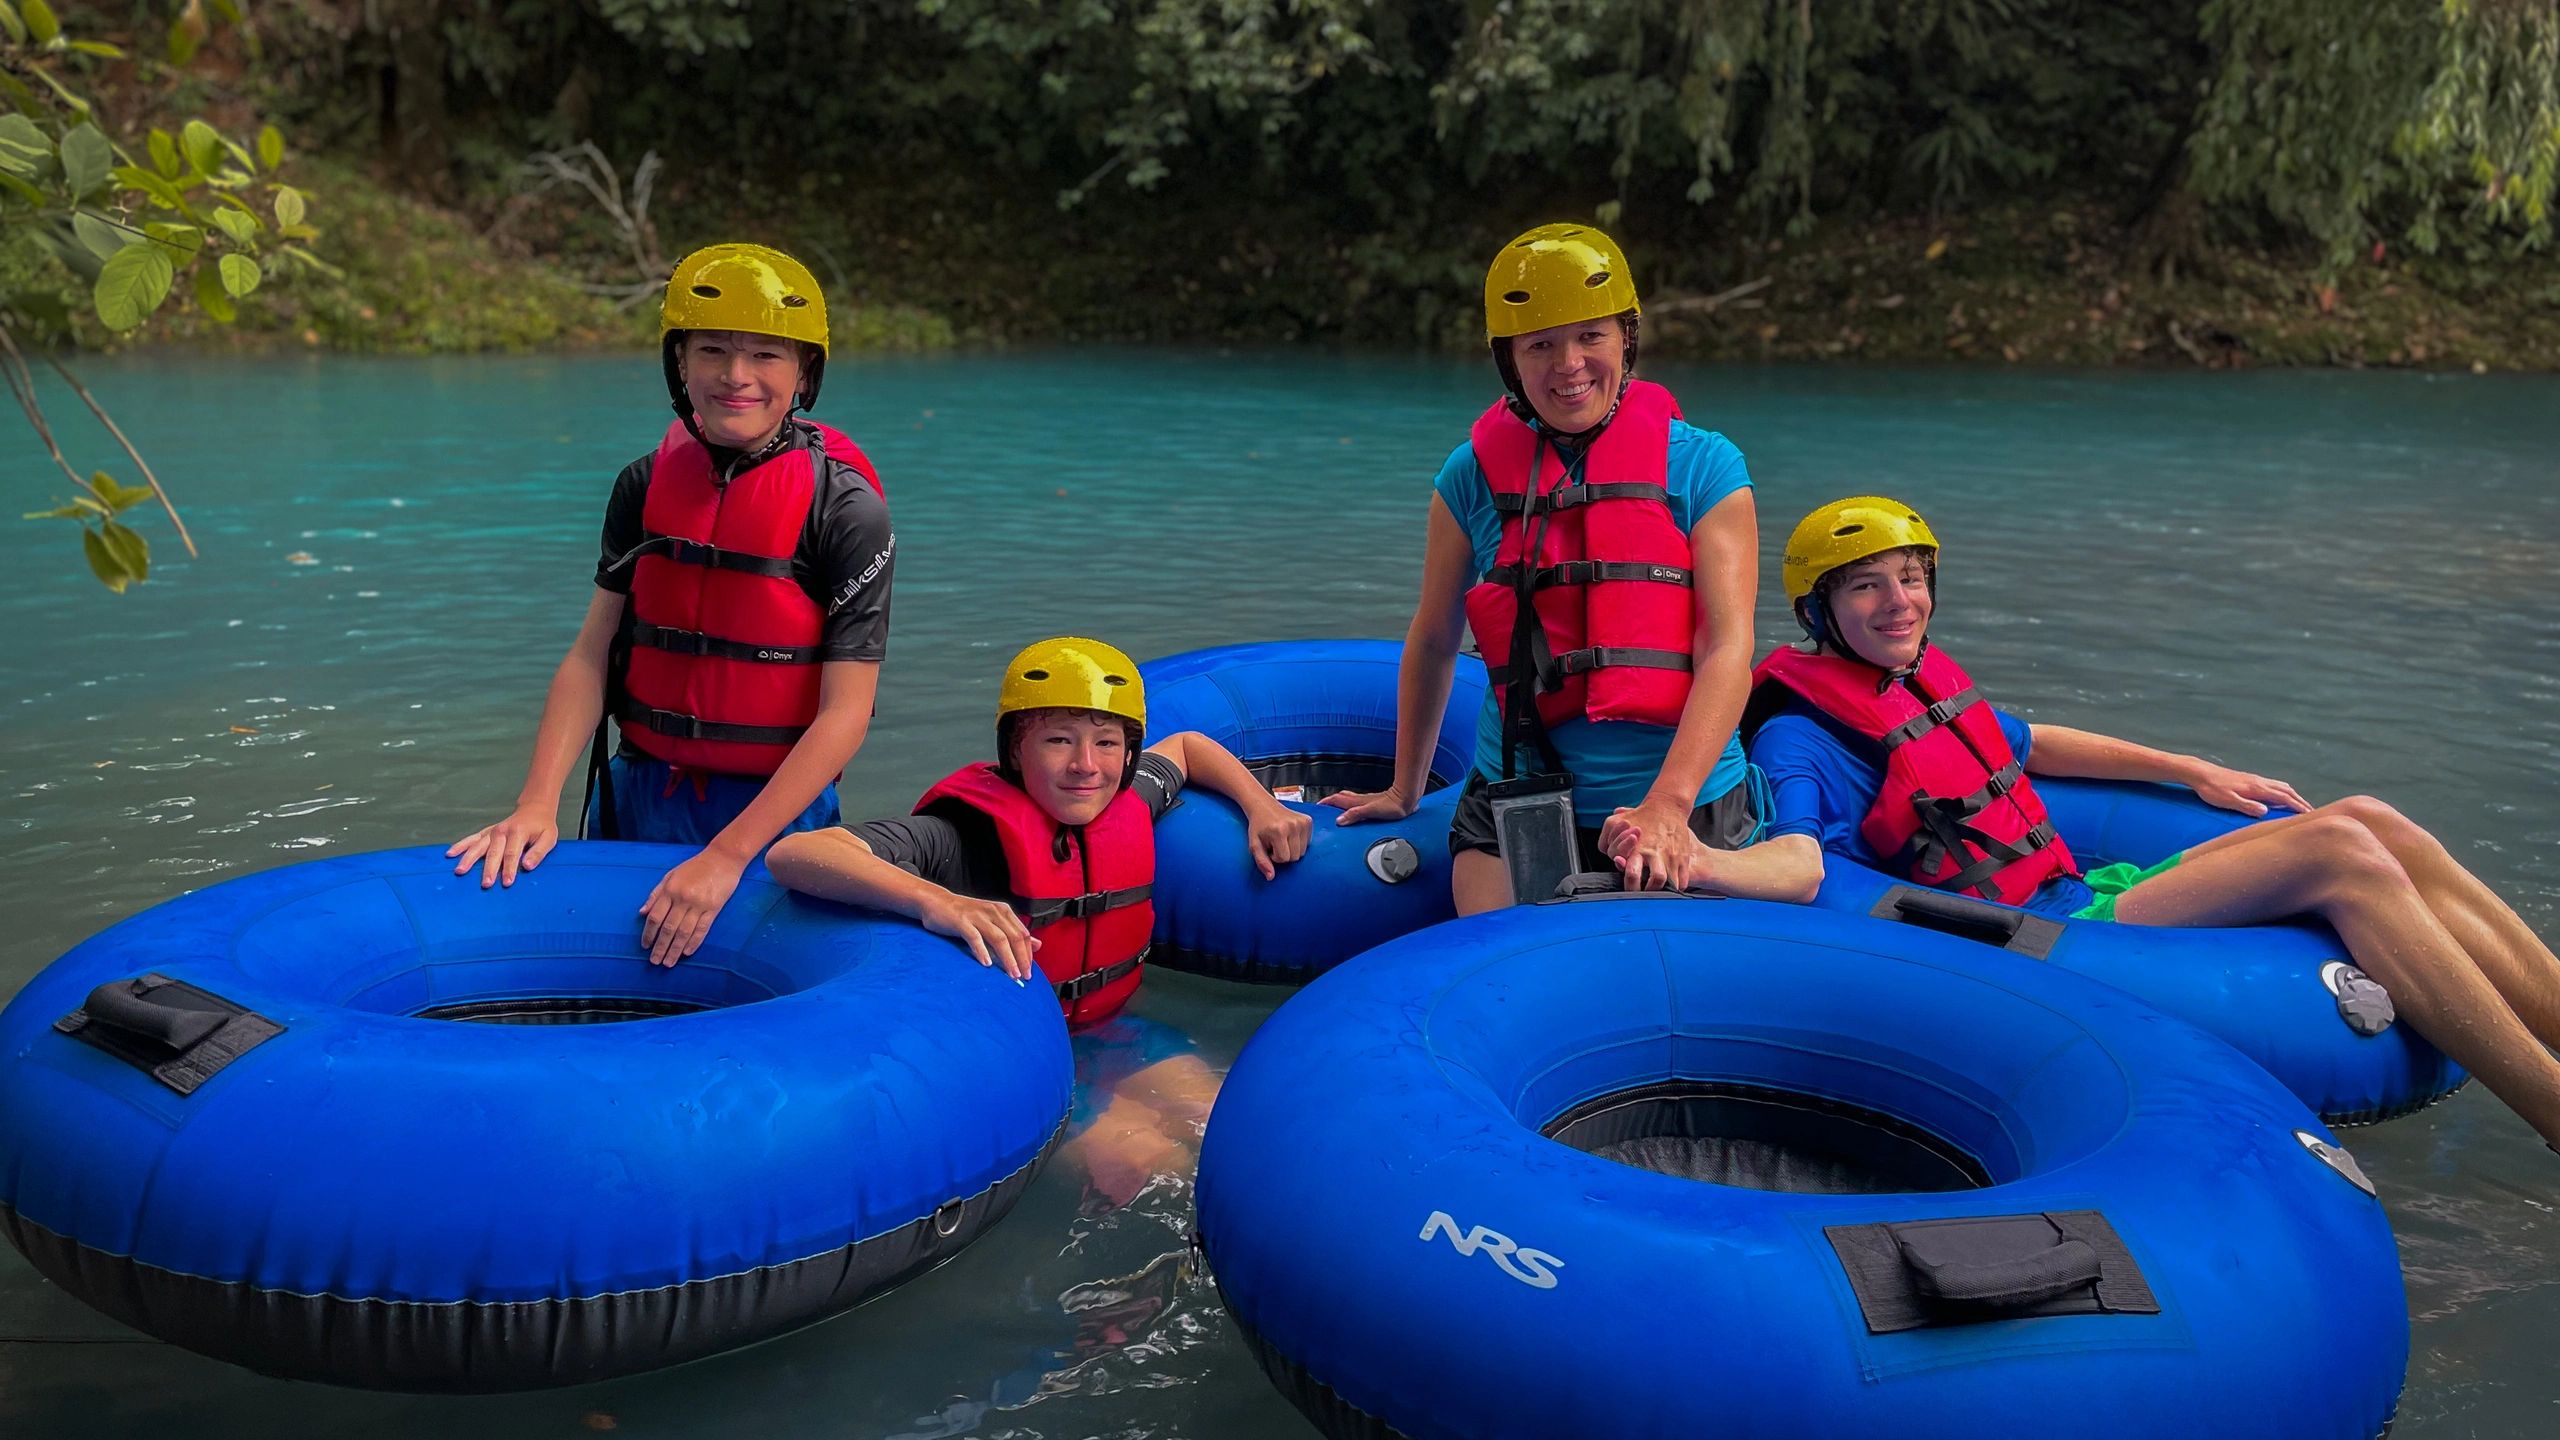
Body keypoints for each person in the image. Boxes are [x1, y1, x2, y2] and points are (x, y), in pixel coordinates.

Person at [1749, 495, 2560, 1151]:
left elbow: (2029, 745)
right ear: (1818, 608)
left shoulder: (1911, 683)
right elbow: (1800, 861)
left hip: (2082, 891)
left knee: (2376, 819)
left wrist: (2191, 768)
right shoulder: (1802, 734)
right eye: (1866, 586)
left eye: (1912, 577)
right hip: (2038, 932)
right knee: (2344, 850)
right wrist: (1691, 861)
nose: (1901, 602)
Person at [1323, 222, 1818, 911]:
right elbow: (1435, 635)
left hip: (1681, 799)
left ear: (1626, 339)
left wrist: (1668, 809)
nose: (1569, 364)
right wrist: (1406, 788)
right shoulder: (1468, 477)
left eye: (1592, 336)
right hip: (1515, 797)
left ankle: (1713, 845)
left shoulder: (1706, 465)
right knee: (1500, 976)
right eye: (1541, 345)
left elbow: (1728, 646)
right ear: (1510, 361)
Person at [447, 244, 894, 968]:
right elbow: (593, 654)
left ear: (804, 372)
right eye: (712, 349)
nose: (736, 376)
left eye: (766, 356)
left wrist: (729, 854)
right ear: (679, 363)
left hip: (772, 812)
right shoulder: (643, 484)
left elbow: (846, 713)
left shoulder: (845, 510)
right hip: (639, 793)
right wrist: (538, 803)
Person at [766, 636, 1313, 1205]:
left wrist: (1263, 805)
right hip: (1021, 1054)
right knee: (1155, 1162)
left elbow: (1188, 746)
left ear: (1128, 756)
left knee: (1223, 1120)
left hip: (1116, 1031)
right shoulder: (964, 835)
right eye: (1057, 741)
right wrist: (941, 901)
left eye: (1107, 743)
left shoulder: (1128, 802)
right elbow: (798, 854)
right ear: (1015, 752)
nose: (1085, 766)